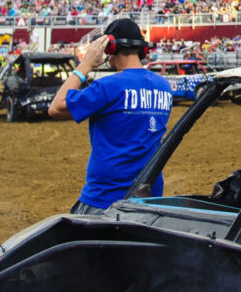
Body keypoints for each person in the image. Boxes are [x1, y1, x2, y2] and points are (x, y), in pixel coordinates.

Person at [48, 18, 172, 214]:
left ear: (111, 47)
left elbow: (56, 107)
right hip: (150, 195)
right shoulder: (164, 86)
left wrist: (85, 65)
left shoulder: (109, 86)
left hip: (106, 197)